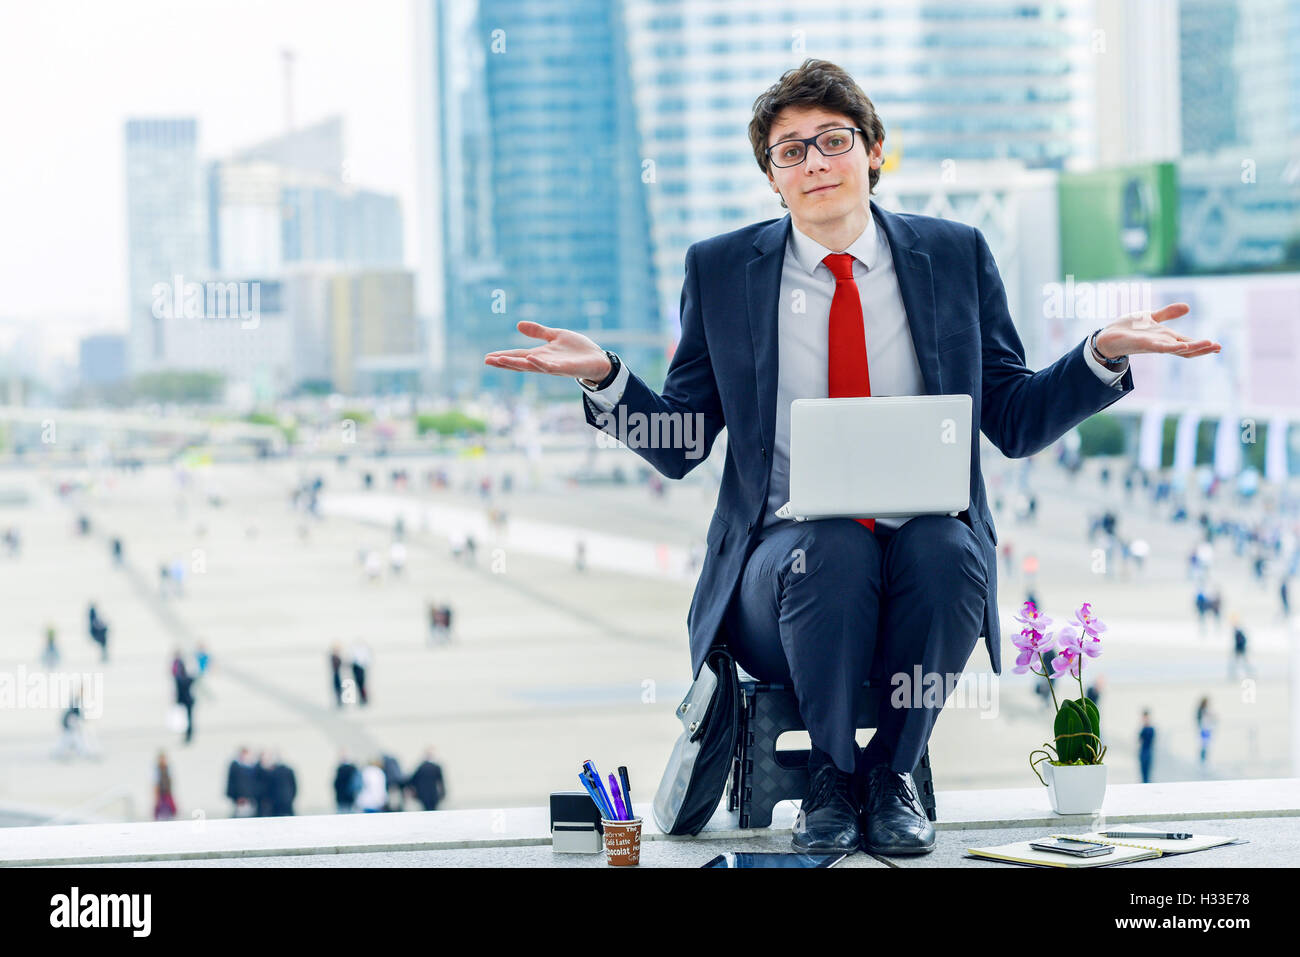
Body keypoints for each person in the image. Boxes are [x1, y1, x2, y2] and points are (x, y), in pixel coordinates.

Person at [484, 58, 1219, 856]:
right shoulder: (723, 270)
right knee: (827, 546)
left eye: (832, 141)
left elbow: (1011, 418)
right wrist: (606, 378)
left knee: (950, 547)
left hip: (919, 575)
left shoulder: (955, 255)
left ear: (873, 150)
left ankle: (890, 775)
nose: (814, 163)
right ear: (772, 178)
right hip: (782, 582)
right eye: (789, 151)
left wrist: (1098, 356)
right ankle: (832, 777)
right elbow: (684, 441)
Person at [226, 747, 256, 816]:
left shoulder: (251, 766)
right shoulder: (236, 766)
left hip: (250, 799)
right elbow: (235, 783)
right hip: (240, 798)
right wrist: (237, 796)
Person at [154, 752, 178, 821]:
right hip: (161, 793)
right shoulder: (157, 769)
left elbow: (170, 780)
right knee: (159, 809)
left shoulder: (168, 768)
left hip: (168, 792)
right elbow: (156, 783)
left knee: (172, 808)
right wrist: (156, 795)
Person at [1195, 697, 1215, 770]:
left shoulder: (1202, 710)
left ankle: (1204, 760)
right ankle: (1202, 761)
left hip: (1205, 729)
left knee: (1205, 745)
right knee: (1204, 745)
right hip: (1204, 729)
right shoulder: (1202, 710)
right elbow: (1201, 720)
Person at [350, 640, 370, 706]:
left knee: (361, 685)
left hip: (360, 668)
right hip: (358, 668)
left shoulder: (362, 652)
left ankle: (364, 699)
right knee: (360, 685)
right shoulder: (360, 652)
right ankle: (363, 698)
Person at [1138, 711, 1156, 783]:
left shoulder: (1150, 729)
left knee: (1147, 774)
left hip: (1147, 752)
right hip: (1143, 752)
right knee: (1143, 774)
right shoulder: (1143, 728)